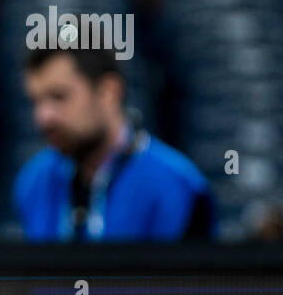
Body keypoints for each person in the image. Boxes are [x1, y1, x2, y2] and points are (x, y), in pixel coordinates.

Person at [15, 44, 216, 241]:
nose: (43, 117)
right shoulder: (33, 182)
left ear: (108, 92)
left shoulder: (178, 187)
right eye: (36, 102)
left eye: (59, 96)